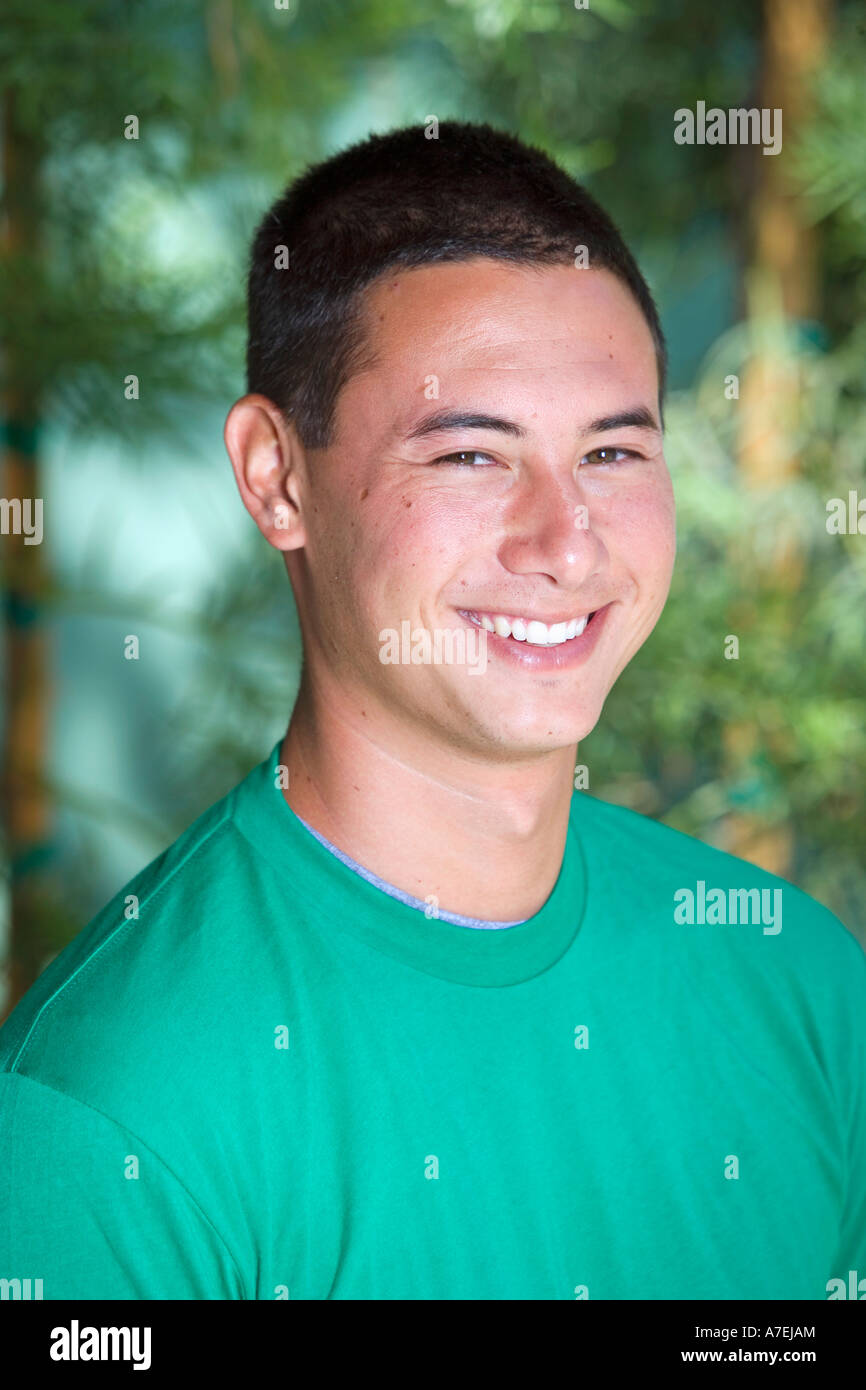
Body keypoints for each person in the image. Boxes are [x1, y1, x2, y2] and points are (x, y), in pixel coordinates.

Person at [1, 121, 863, 1301]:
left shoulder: (799, 982)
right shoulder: (104, 1121)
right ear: (276, 476)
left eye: (611, 452)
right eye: (469, 457)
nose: (566, 545)